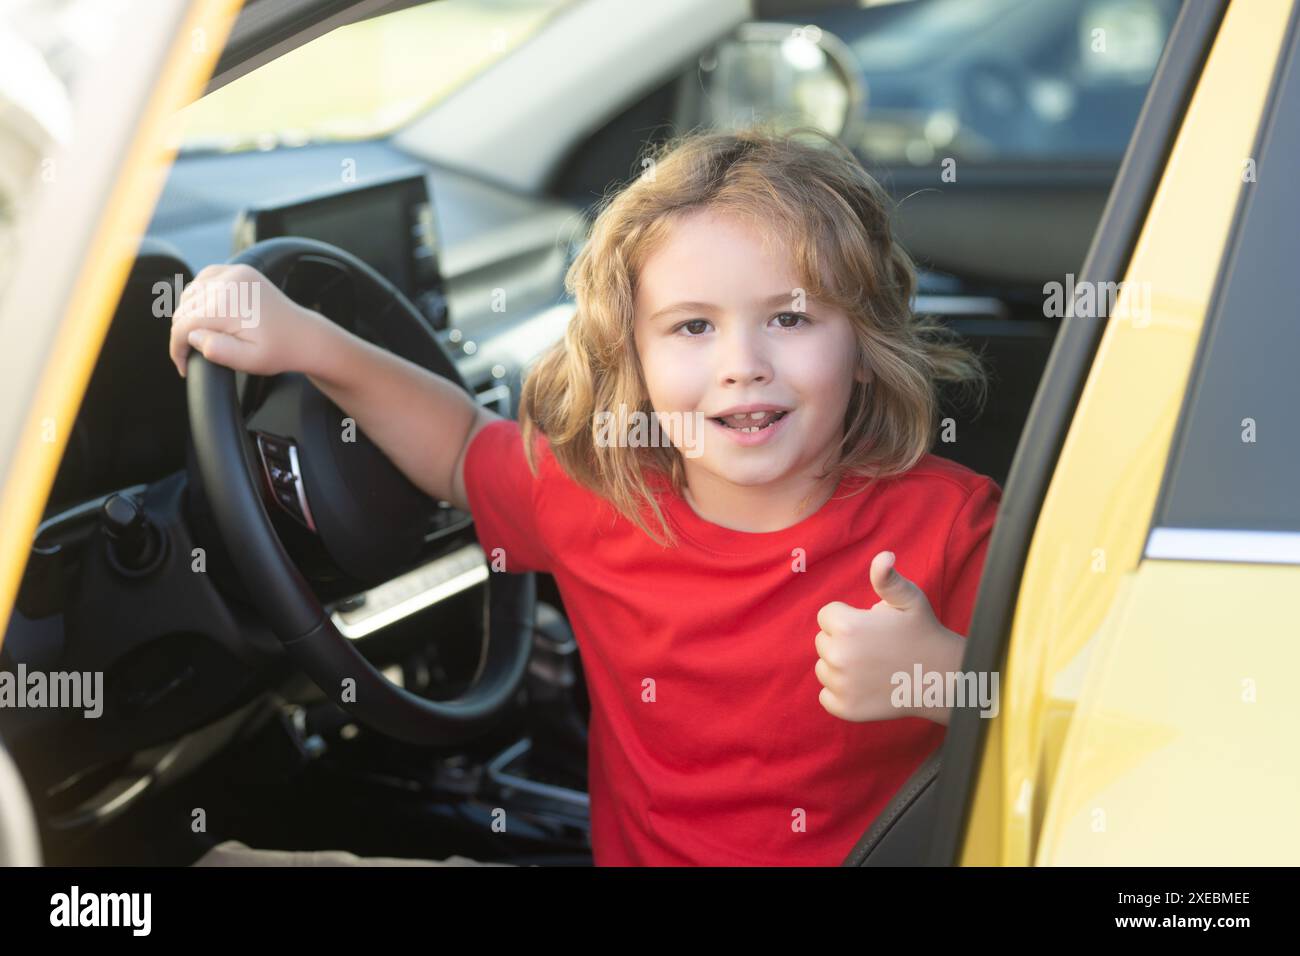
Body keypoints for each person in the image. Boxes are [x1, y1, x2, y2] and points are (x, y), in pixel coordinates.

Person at [170, 125, 999, 867]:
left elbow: (1093, 722)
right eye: (692, 327)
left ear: (863, 345)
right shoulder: (603, 493)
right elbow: (460, 449)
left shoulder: (951, 530)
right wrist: (309, 342)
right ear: (630, 358)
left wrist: (948, 677)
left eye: (790, 319)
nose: (742, 363)